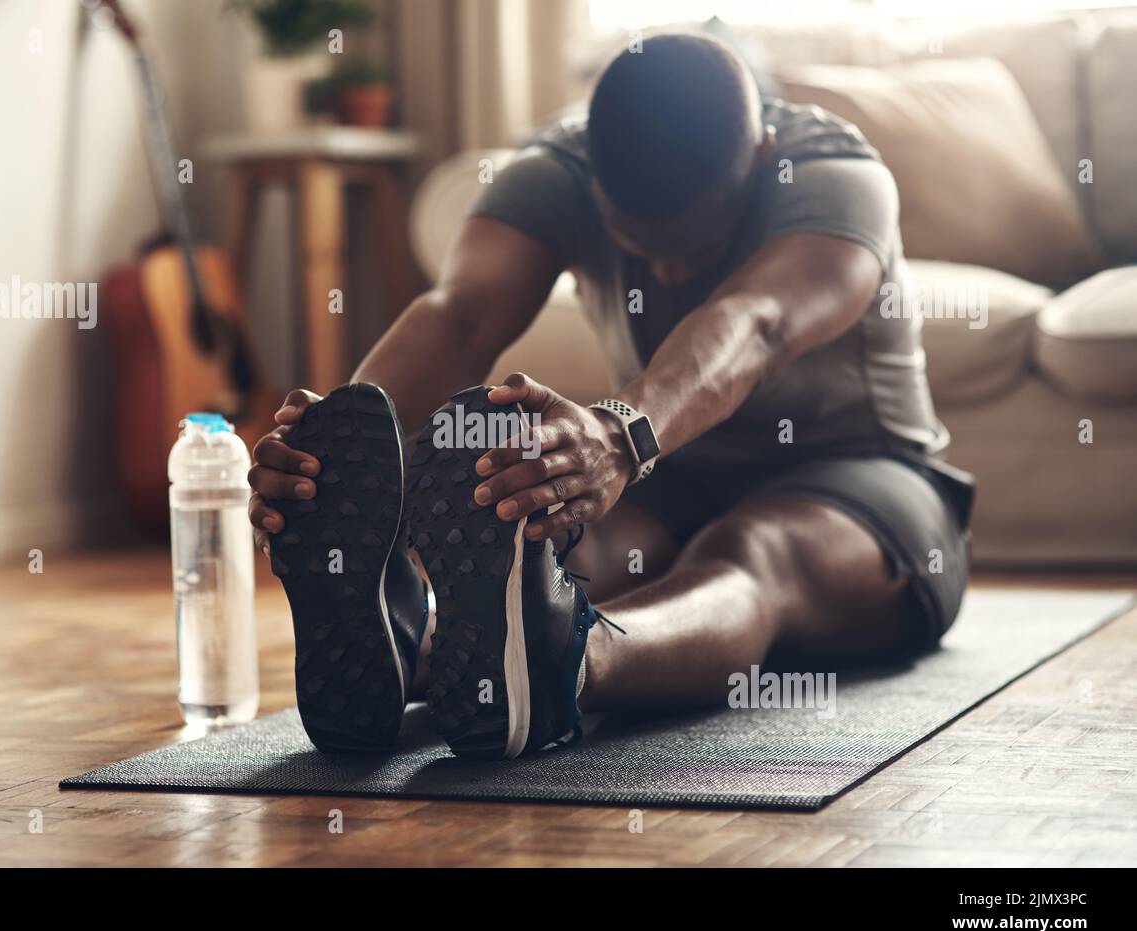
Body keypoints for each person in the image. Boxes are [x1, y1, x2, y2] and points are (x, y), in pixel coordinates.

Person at [247, 32, 974, 760]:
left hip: (869, 480)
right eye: (640, 242)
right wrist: (337, 458)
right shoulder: (558, 167)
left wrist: (620, 432)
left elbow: (756, 322)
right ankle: (421, 646)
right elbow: (462, 314)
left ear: (761, 156)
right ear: (593, 177)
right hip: (676, 478)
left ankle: (572, 664)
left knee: (751, 551)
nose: (665, 269)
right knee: (557, 539)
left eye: (696, 246)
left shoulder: (835, 176)